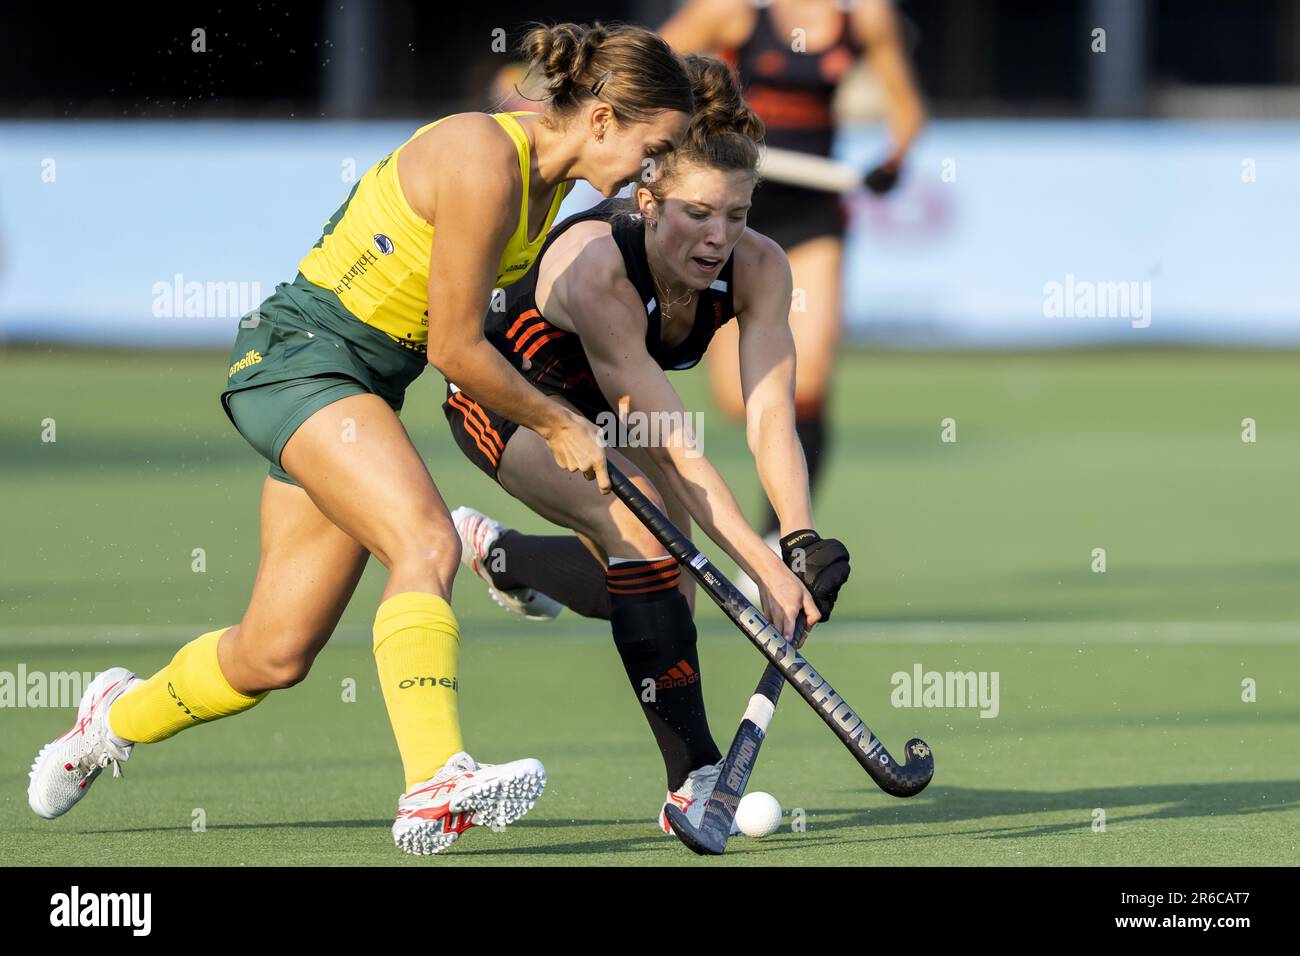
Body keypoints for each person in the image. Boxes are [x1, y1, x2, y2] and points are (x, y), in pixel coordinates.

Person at [26, 22, 696, 856]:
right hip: (297, 364)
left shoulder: (554, 191)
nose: (653, 169)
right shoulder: (480, 157)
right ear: (602, 120)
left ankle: (106, 723)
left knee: (272, 655)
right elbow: (455, 347)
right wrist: (556, 421)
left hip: (362, 388)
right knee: (423, 539)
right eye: (654, 146)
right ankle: (433, 781)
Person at [443, 55, 851, 832]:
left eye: (735, 214)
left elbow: (771, 416)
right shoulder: (599, 267)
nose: (717, 237)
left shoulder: (761, 267)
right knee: (653, 550)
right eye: (698, 213)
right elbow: (673, 444)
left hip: (616, 407)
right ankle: (694, 782)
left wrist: (796, 540)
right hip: (512, 396)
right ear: (648, 195)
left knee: (670, 583)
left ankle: (505, 556)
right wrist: (758, 564)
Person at [661, 0, 926, 541]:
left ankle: (780, 541)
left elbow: (907, 110)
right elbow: (655, 67)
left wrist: (892, 162)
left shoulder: (866, 15)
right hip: (734, 218)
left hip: (814, 216)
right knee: (742, 401)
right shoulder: (732, 11)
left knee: (806, 386)